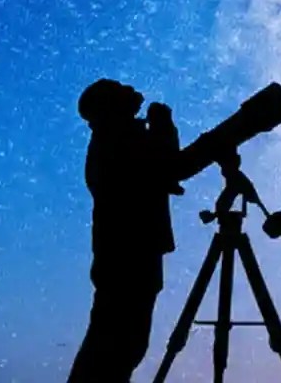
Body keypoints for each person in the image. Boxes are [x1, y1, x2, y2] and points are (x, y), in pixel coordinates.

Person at [65, 78, 191, 383]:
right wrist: (164, 128)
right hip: (130, 257)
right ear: (110, 106)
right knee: (116, 349)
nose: (129, 90)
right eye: (119, 89)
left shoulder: (117, 137)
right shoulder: (117, 140)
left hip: (128, 255)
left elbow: (162, 169)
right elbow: (167, 166)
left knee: (120, 347)